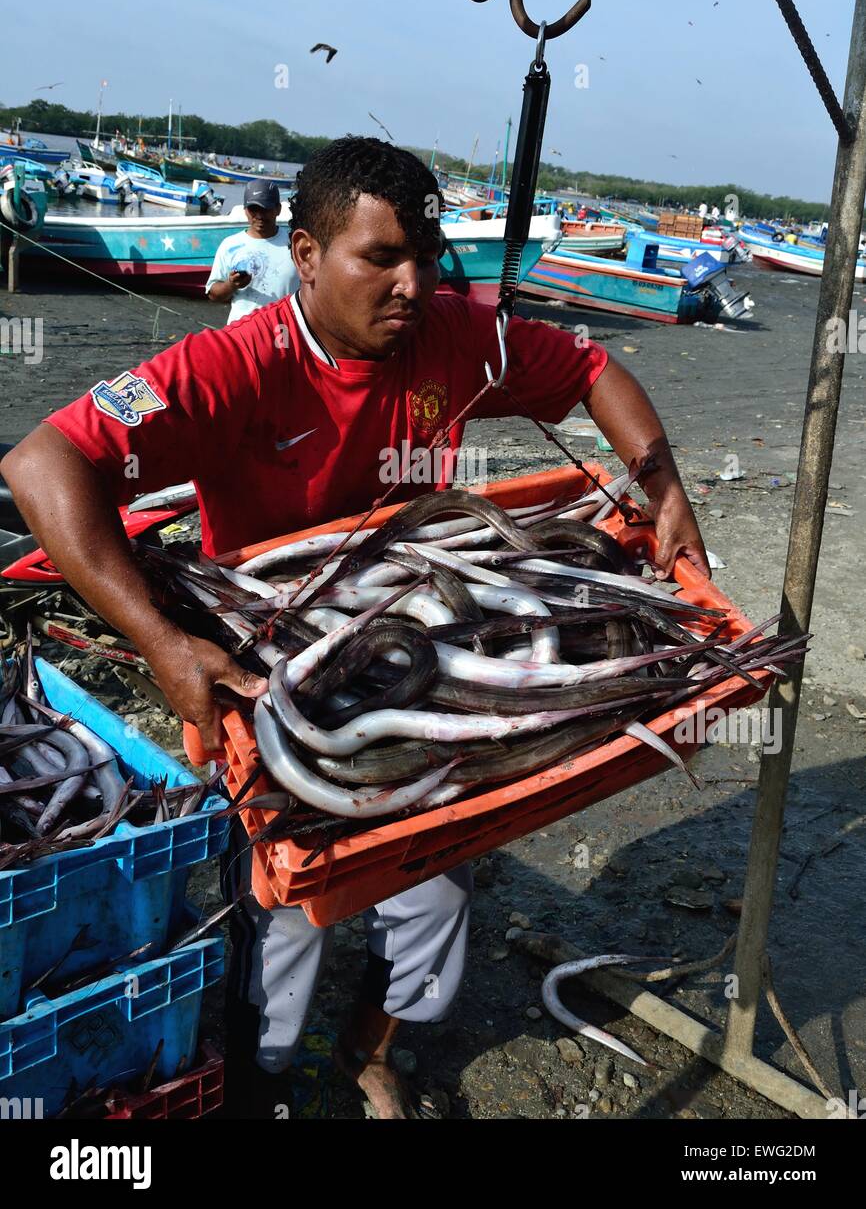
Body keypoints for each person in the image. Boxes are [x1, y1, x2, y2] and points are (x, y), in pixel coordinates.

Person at [1, 136, 708, 1120]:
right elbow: (42, 464)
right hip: (262, 672)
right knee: (287, 900)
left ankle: (369, 1048)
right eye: (379, 258)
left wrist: (663, 485)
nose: (412, 284)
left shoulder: (459, 335)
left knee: (436, 879)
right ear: (304, 254)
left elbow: (590, 367)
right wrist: (164, 643)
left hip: (416, 651)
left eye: (424, 255)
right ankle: (269, 1065)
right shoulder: (230, 362)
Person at [207, 179, 299, 323]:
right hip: (241, 336)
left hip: (283, 333)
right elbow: (213, 294)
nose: (259, 216)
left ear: (278, 209)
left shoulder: (295, 244)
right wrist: (231, 285)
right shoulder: (230, 245)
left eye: (266, 209)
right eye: (254, 209)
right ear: (245, 210)